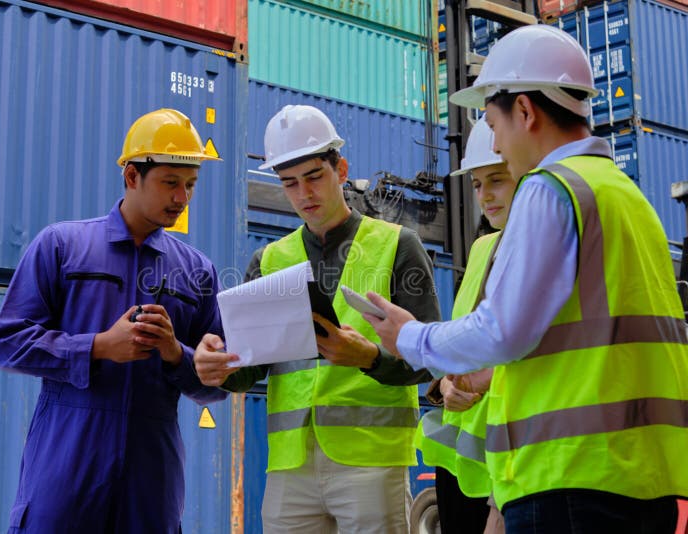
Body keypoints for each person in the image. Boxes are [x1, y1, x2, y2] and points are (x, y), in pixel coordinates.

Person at [365, 25, 688, 534]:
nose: (494, 143)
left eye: (493, 123)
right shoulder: (627, 196)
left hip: (569, 478)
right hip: (644, 479)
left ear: (525, 112)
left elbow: (503, 330)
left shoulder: (550, 187)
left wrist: (409, 337)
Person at [194, 104, 441, 533]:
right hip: (290, 468)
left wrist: (369, 357)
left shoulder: (399, 246)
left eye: (314, 177)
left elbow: (430, 361)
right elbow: (247, 369)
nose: (303, 194)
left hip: (372, 462)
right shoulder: (268, 260)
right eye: (290, 183)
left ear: (340, 169)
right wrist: (215, 366)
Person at [0, 108, 229, 533]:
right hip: (67, 458)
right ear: (132, 177)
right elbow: (10, 342)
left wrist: (176, 354)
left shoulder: (196, 272)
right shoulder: (62, 246)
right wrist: (99, 346)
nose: (182, 198)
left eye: (191, 185)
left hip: (152, 472)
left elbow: (216, 384)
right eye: (170, 183)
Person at [417, 118, 510, 534]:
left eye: (497, 180)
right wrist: (446, 386)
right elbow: (462, 339)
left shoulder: (549, 245)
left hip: (507, 455)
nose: (485, 196)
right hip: (458, 458)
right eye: (476, 184)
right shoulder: (481, 247)